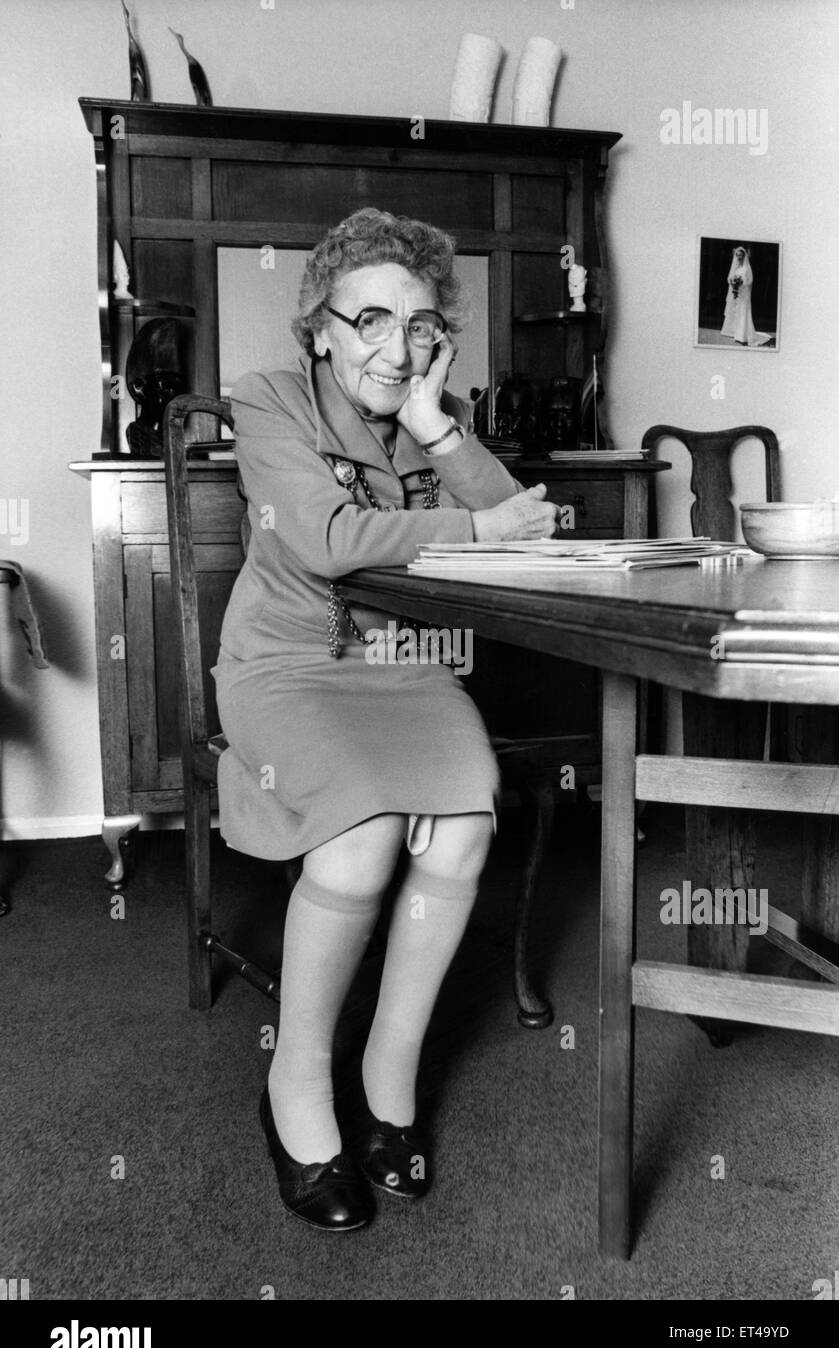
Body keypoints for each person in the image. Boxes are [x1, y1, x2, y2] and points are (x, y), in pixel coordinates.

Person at [213, 207, 557, 1231]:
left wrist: (434, 424)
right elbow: (320, 536)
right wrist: (468, 523)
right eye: (367, 319)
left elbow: (518, 527)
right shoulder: (266, 398)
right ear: (319, 326)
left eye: (415, 325)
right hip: (286, 666)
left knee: (465, 823)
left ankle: (388, 1075)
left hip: (405, 669)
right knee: (359, 836)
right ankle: (297, 1087)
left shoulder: (423, 404)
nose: (392, 346)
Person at [721, 246, 757, 346]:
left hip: (744, 293)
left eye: (741, 255)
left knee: (743, 312)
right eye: (737, 255)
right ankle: (736, 332)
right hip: (737, 293)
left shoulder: (747, 268)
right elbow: (730, 278)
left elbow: (750, 281)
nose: (739, 257)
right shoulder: (736, 268)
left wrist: (741, 283)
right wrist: (733, 283)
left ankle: (743, 335)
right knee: (737, 312)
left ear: (744, 256)